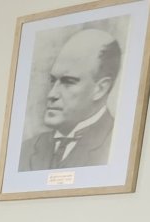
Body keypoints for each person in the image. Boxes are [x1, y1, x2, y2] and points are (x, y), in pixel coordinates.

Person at [19, 27, 121, 171]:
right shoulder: (26, 149)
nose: (51, 95)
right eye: (53, 80)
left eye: (68, 82)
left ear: (100, 89)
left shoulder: (119, 144)